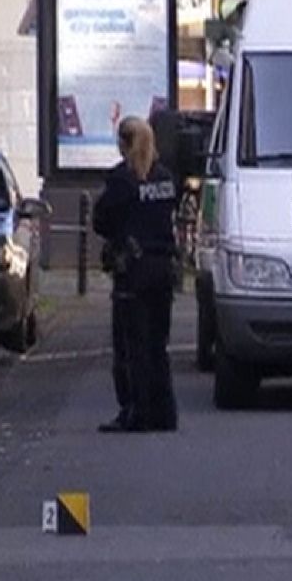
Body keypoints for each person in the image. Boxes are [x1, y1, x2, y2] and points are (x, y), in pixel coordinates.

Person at [92, 115, 179, 433]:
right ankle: (164, 412)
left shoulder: (122, 180)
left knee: (130, 346)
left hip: (133, 270)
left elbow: (101, 221)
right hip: (163, 269)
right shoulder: (165, 178)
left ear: (124, 143)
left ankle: (135, 411)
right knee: (157, 345)